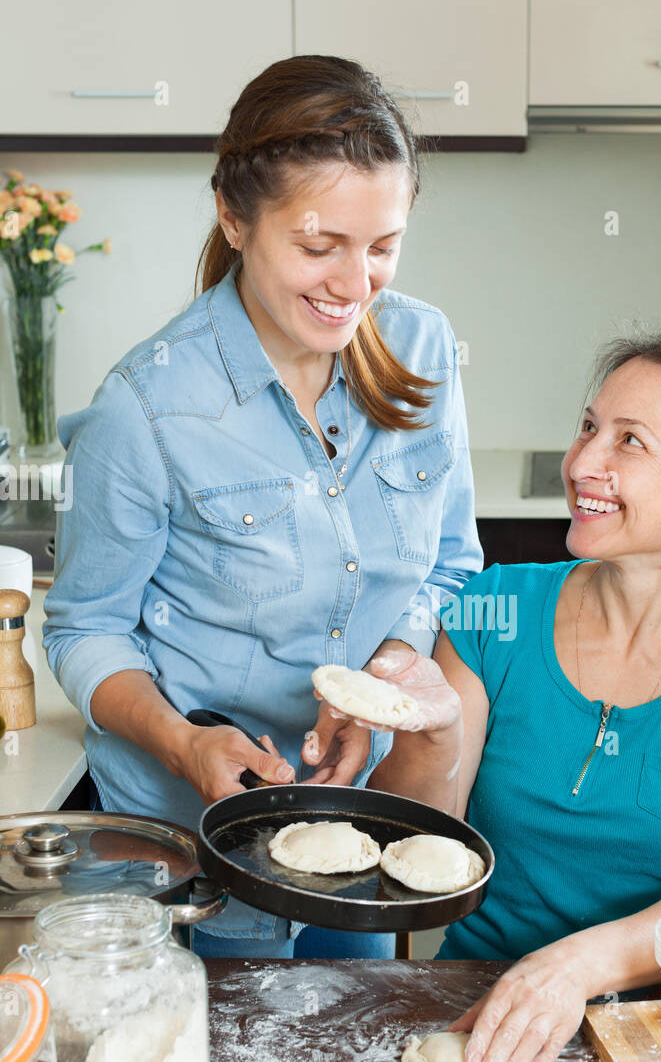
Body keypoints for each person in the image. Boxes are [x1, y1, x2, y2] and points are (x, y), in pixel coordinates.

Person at [42, 56, 482, 959]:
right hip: (186, 858)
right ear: (235, 217)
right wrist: (179, 744)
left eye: (384, 245)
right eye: (320, 247)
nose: (357, 285)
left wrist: (383, 680)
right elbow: (85, 631)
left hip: (352, 829)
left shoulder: (424, 346)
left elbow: (448, 562)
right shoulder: (147, 408)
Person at [361, 327, 661, 1062]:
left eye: (630, 442)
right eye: (589, 427)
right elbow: (418, 854)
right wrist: (434, 738)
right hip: (479, 1006)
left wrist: (573, 967)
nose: (584, 463)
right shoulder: (496, 609)